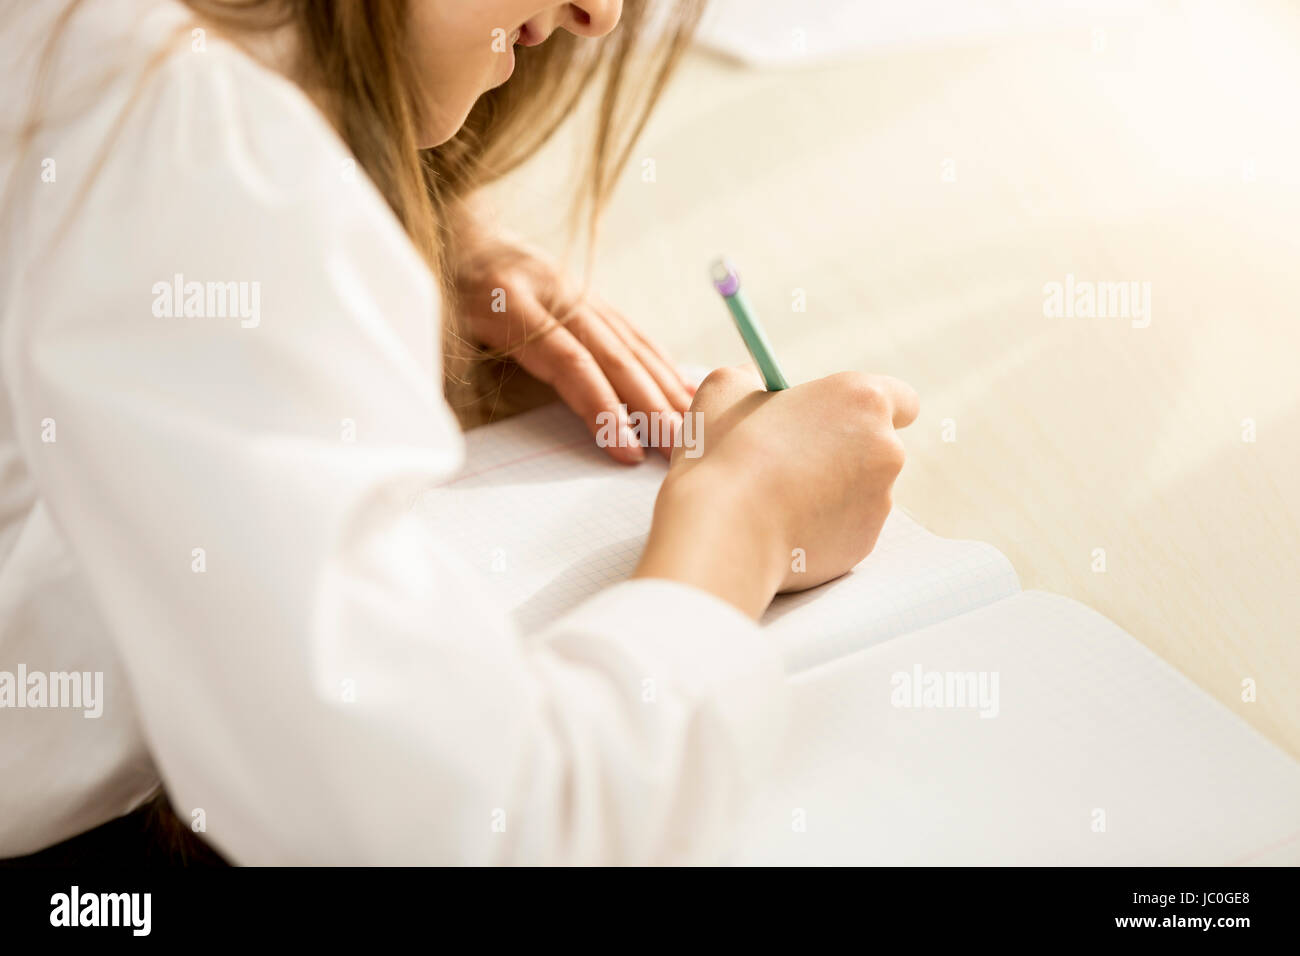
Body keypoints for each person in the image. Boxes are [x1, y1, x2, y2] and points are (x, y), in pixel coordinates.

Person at [0, 0, 918, 863]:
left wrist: (412, 211)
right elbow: (468, 827)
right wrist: (748, 515)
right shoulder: (196, 152)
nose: (598, 17)